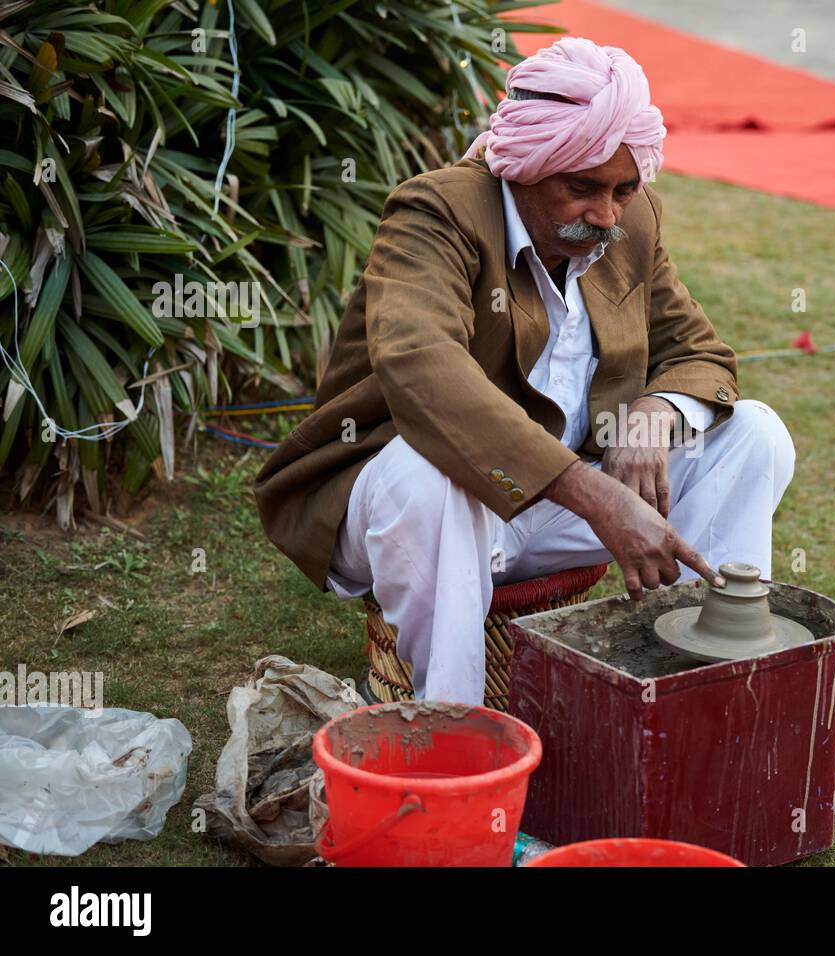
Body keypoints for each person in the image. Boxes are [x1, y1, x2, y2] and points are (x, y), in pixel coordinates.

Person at [254, 37, 795, 703]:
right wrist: (595, 495)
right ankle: (451, 723)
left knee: (754, 435)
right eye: (581, 188)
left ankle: (697, 682)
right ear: (524, 166)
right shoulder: (436, 212)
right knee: (431, 476)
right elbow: (423, 367)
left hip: (555, 510)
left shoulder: (630, 224)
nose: (605, 215)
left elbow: (699, 353)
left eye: (625, 189)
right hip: (421, 509)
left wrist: (651, 418)